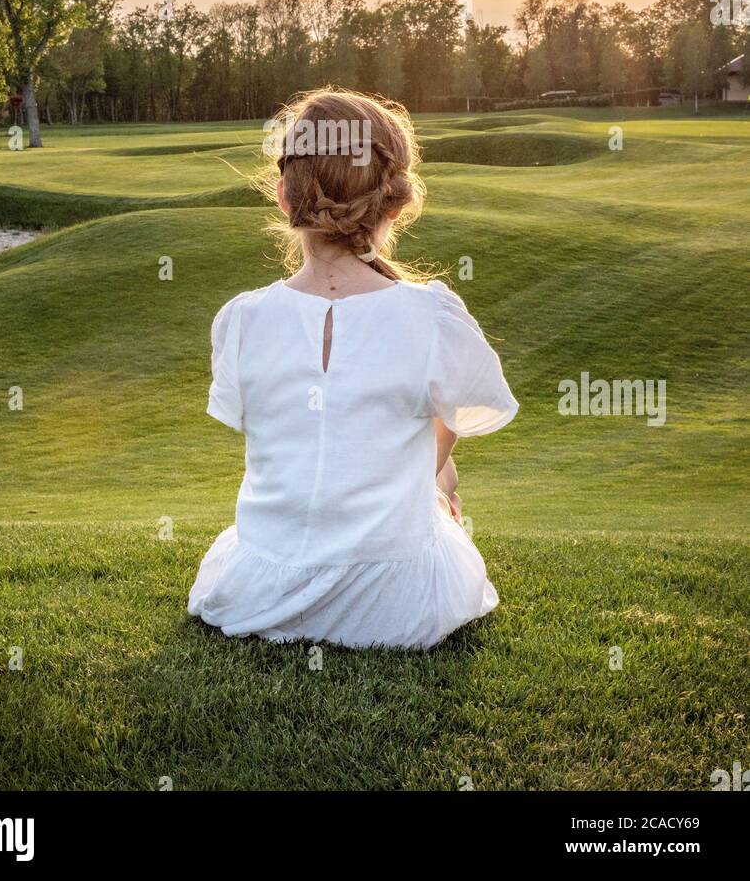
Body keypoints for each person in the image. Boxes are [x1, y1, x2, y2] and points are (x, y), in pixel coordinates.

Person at [188, 89, 518, 649]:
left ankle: (428, 496)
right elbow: (464, 411)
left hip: (258, 592)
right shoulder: (432, 316)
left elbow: (286, 432)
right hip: (399, 605)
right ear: (395, 205)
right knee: (440, 460)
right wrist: (437, 480)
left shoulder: (242, 320)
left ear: (283, 199)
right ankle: (433, 497)